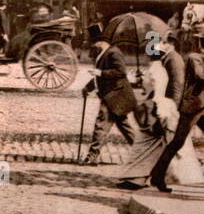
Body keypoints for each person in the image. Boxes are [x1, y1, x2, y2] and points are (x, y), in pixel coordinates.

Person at [82, 24, 157, 166]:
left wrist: (101, 73)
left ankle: (92, 156)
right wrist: (88, 87)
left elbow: (121, 72)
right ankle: (143, 151)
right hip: (113, 96)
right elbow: (99, 77)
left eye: (94, 43)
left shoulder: (113, 53)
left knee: (101, 125)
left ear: (100, 42)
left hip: (116, 96)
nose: (93, 46)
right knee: (124, 126)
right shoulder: (102, 54)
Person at [150, 23, 204, 192]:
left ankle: (157, 175)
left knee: (177, 141)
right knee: (178, 142)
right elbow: (200, 76)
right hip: (192, 106)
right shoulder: (194, 57)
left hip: (201, 106)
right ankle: (158, 175)